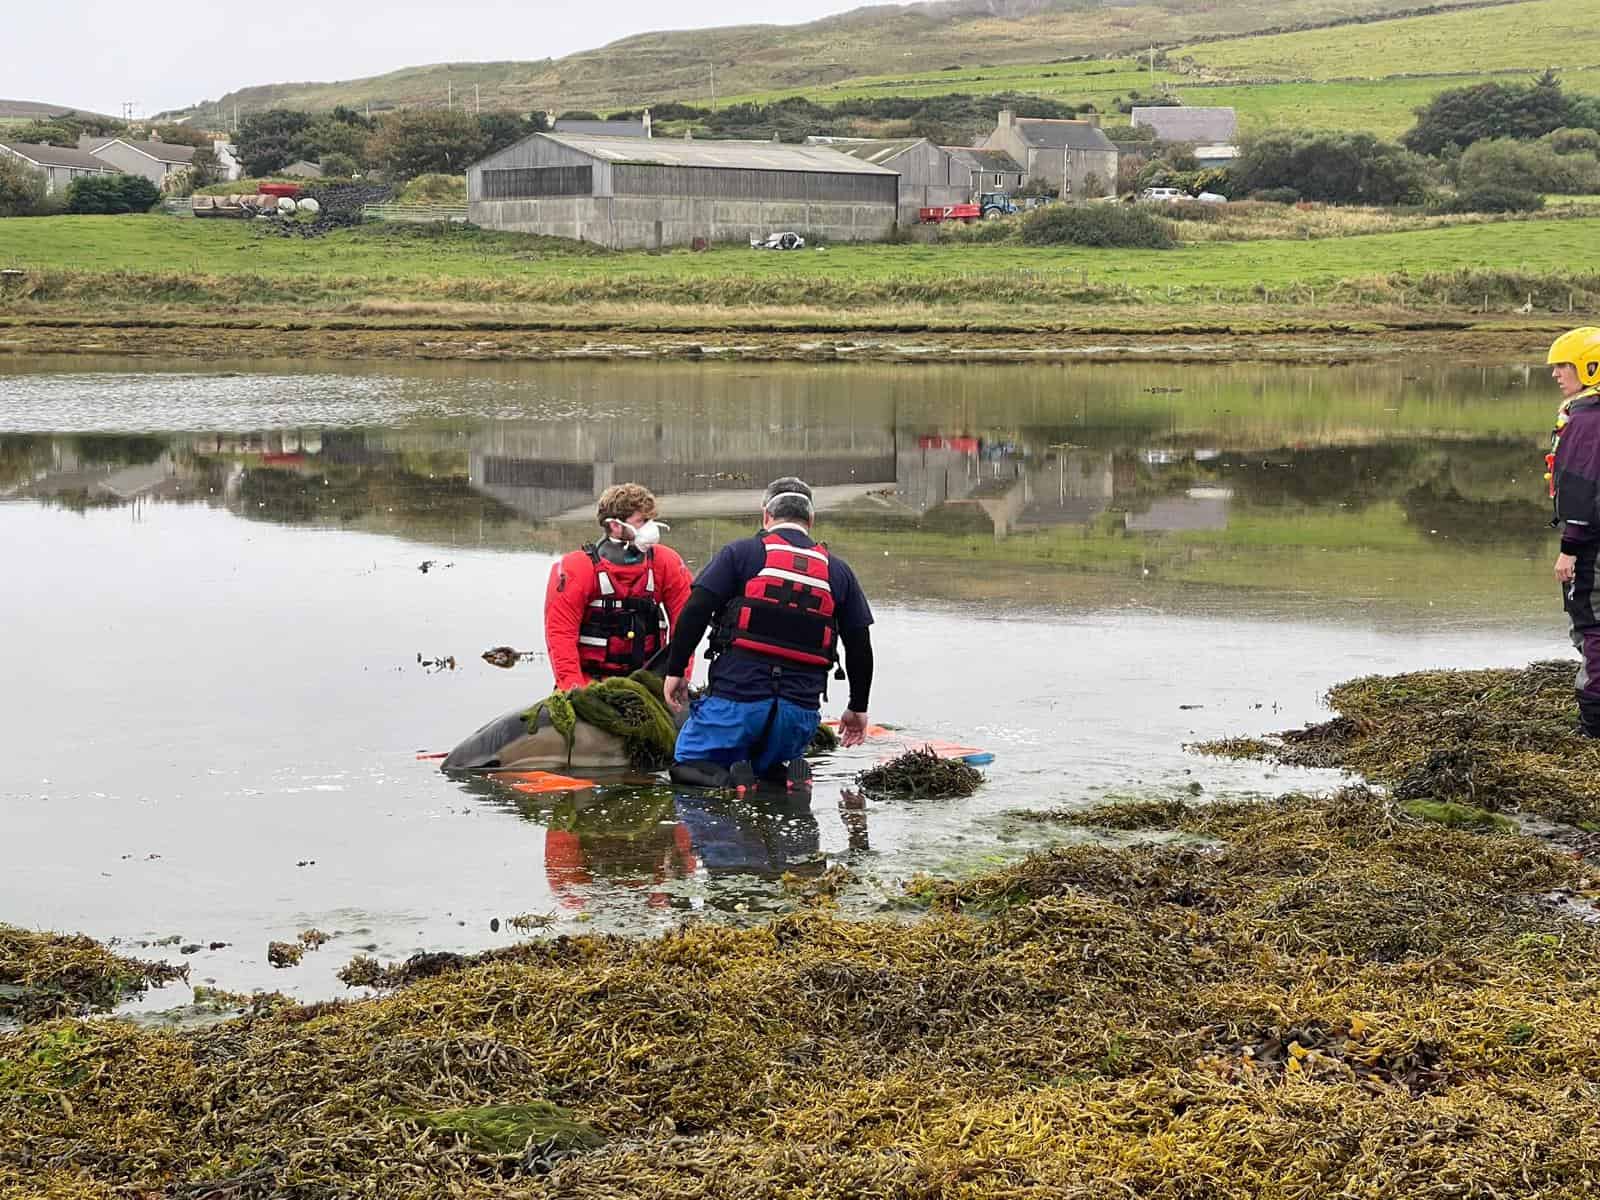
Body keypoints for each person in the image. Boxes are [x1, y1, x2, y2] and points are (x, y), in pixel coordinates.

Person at [661, 477, 874, 789]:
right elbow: (860, 645)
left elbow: (695, 611)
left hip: (737, 701)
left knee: (687, 766)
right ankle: (782, 774)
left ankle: (731, 782)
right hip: (798, 713)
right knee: (769, 761)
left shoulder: (741, 553)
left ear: (766, 516)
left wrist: (675, 670)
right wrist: (857, 707)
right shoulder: (838, 571)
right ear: (810, 521)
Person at [543, 483, 693, 693]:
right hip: (590, 681)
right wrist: (574, 690)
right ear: (615, 525)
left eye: (650, 520)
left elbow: (687, 626)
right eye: (641, 521)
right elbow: (560, 635)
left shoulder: (666, 563)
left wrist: (678, 676)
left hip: (649, 682)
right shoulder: (577, 569)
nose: (650, 528)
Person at [1546, 327, 1600, 735]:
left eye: (1563, 365)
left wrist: (1569, 549)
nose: (1556, 374)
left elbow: (1582, 491)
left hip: (1593, 546)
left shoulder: (1587, 423)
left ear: (1590, 367)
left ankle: (1593, 723)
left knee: (1591, 621)